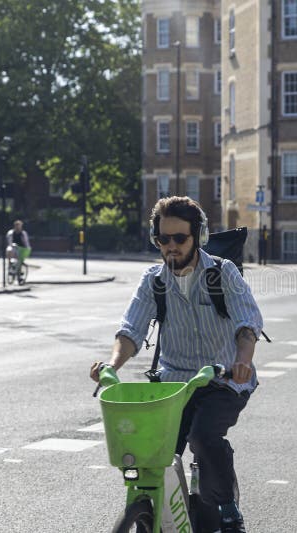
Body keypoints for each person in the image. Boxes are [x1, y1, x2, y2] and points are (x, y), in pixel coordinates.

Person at [89, 196, 262, 533]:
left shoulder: (221, 274)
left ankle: (228, 511)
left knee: (203, 436)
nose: (170, 247)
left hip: (223, 378)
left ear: (199, 237)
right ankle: (155, 512)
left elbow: (247, 323)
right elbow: (131, 330)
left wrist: (242, 362)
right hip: (173, 385)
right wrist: (112, 365)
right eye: (162, 239)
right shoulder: (154, 280)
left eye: (179, 238)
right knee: (153, 452)